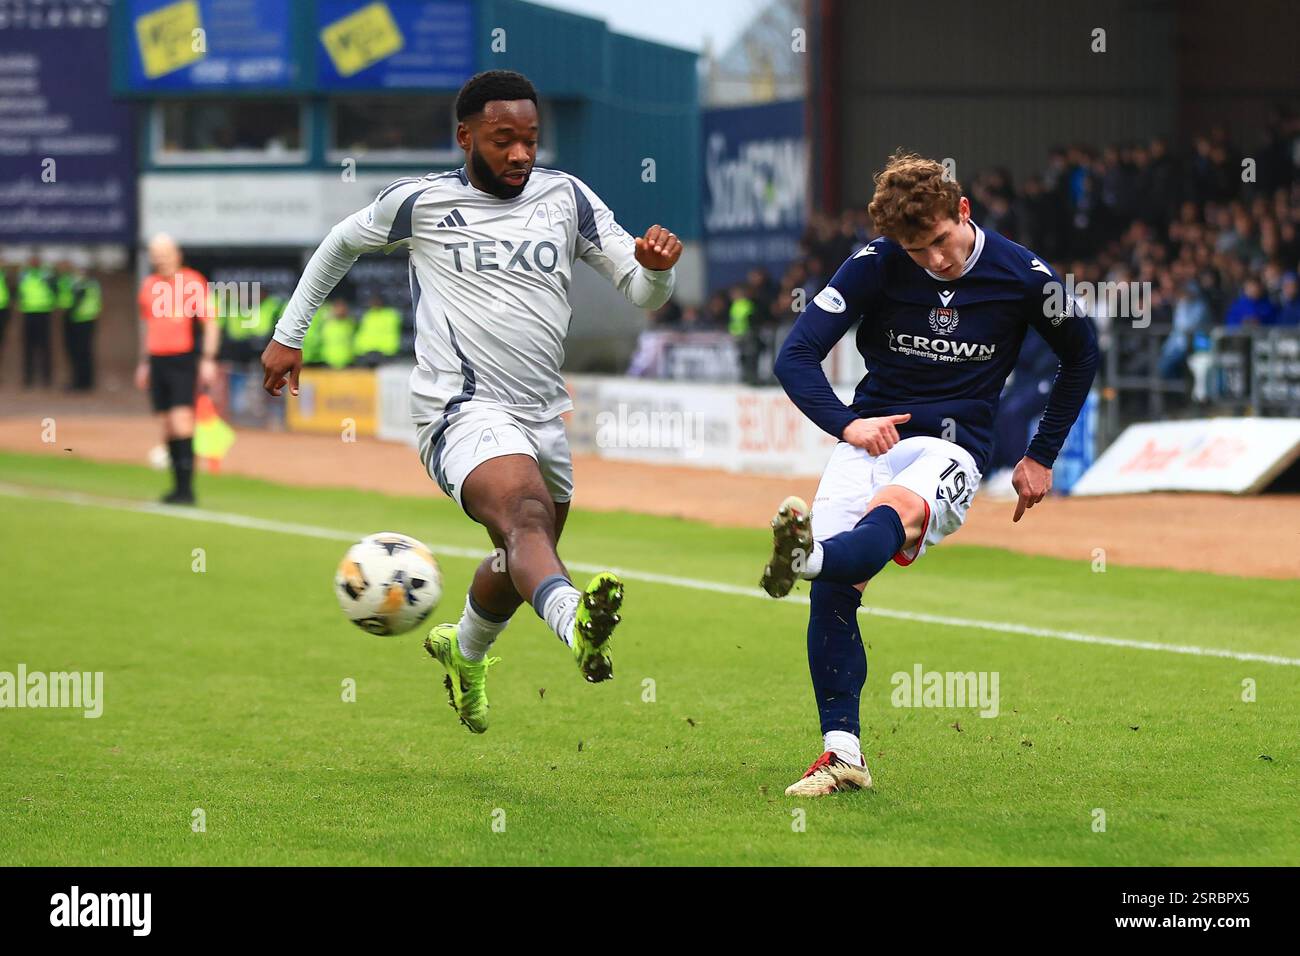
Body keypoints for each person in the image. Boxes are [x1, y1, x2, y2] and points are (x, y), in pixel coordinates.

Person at [261, 70, 681, 733]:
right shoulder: (419, 203)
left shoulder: (567, 198)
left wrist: (657, 269)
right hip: (458, 409)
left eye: (530, 140)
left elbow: (640, 292)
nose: (519, 154)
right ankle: (577, 624)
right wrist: (289, 334)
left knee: (521, 555)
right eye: (502, 139)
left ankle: (464, 651)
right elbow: (340, 243)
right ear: (465, 137)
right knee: (524, 514)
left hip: (543, 411)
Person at [761, 152, 1099, 796]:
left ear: (962, 210)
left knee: (889, 514)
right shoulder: (877, 263)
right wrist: (847, 424)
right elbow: (796, 355)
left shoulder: (1023, 274)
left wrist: (1041, 454)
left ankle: (804, 560)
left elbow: (1082, 352)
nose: (935, 261)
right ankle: (842, 753)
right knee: (837, 594)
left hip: (957, 447)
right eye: (918, 252)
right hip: (871, 436)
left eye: (941, 241)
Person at [136, 234, 220, 505]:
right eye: (156, 254)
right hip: (157, 360)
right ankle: (176, 487)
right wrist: (145, 362)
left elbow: (210, 323)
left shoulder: (192, 281)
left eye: (166, 253)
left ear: (177, 254)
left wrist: (208, 358)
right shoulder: (149, 285)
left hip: (183, 359)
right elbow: (147, 326)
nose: (161, 259)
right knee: (167, 425)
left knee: (182, 420)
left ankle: (187, 490)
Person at [18, 254, 57, 388]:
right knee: (28, 347)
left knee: (45, 347)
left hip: (43, 313)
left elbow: (54, 290)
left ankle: (47, 378)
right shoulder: (24, 275)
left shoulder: (47, 275)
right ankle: (28, 378)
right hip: (28, 313)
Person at [63, 261, 102, 391]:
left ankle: (83, 382)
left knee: (82, 353)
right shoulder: (80, 284)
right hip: (79, 321)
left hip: (84, 321)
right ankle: (81, 381)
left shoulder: (86, 285)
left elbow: (77, 302)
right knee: (79, 353)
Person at [353, 293, 402, 366]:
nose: (374, 303)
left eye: (376, 301)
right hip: (366, 352)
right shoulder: (367, 315)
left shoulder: (391, 315)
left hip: (386, 353)